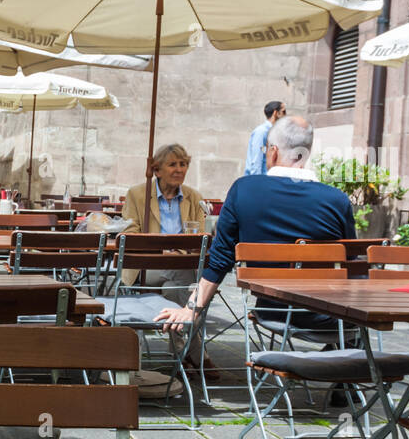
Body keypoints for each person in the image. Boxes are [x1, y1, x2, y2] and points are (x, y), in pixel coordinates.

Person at [156, 115, 354, 336]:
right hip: (331, 315)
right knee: (350, 335)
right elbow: (354, 263)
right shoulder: (338, 200)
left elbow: (221, 258)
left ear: (273, 151)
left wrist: (191, 309)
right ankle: (348, 357)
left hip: (273, 310)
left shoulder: (244, 190)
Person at [118, 143, 215, 377]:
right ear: (157, 170)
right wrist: (162, 252)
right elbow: (130, 234)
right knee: (184, 277)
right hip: (145, 268)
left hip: (179, 269)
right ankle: (196, 351)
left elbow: (202, 237)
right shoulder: (138, 195)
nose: (179, 169)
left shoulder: (193, 197)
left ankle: (180, 352)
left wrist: (177, 255)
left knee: (173, 289)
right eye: (172, 164)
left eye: (183, 164)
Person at [244, 100, 286, 176]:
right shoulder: (261, 132)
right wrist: (257, 183)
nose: (285, 115)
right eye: (283, 111)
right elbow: (257, 159)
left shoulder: (274, 132)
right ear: (275, 113)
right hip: (259, 181)